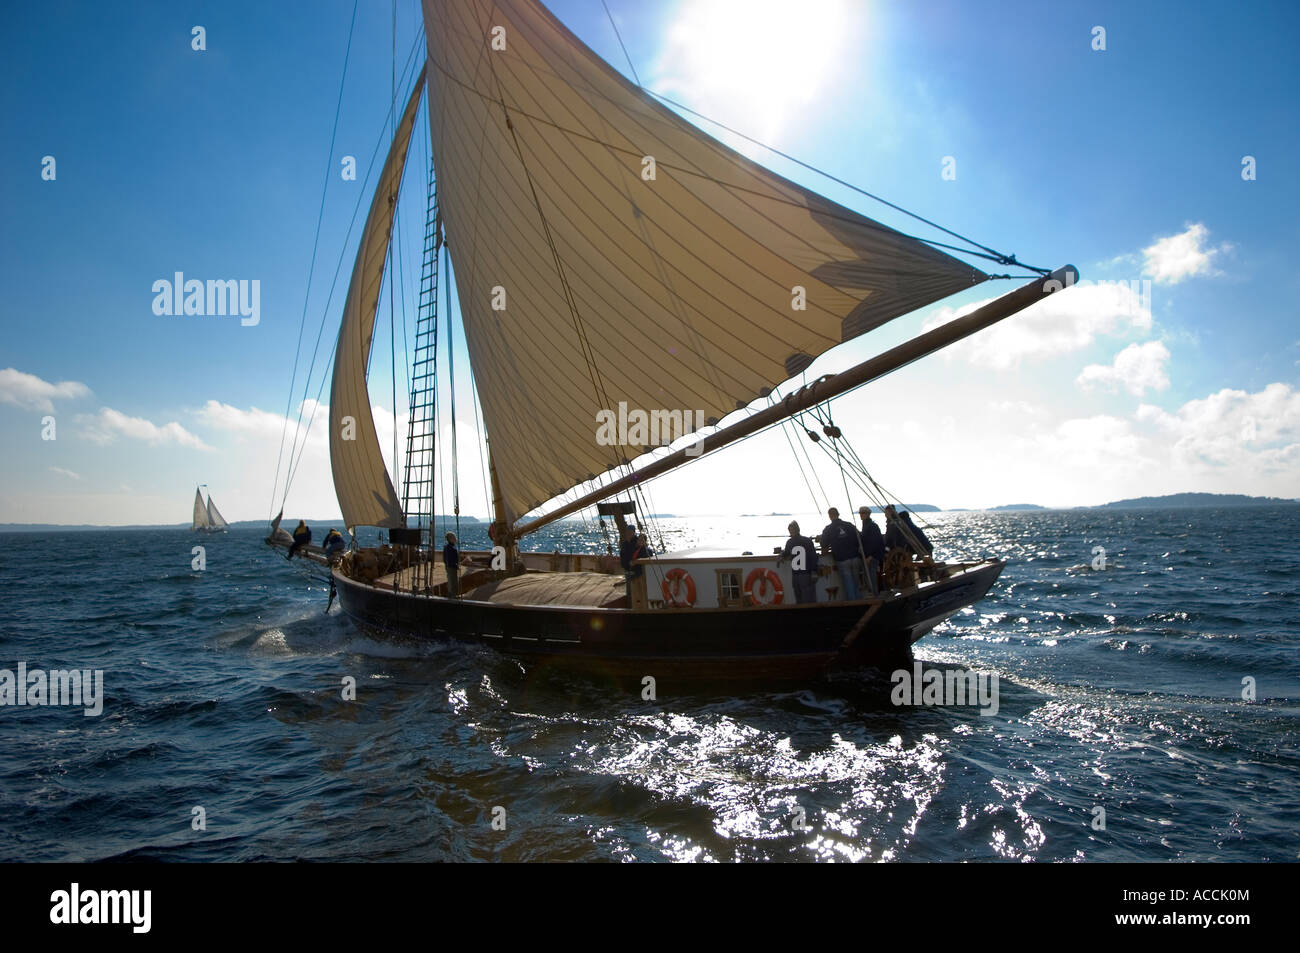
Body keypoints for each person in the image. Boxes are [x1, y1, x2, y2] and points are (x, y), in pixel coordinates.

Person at [820, 507, 863, 601]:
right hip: (855, 557)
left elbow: (823, 543)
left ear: (830, 516)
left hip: (842, 559)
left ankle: (853, 605)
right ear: (838, 514)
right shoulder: (849, 525)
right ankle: (860, 601)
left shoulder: (828, 529)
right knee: (856, 583)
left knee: (849, 585)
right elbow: (859, 537)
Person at [778, 520, 819, 604]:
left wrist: (781, 555)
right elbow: (813, 557)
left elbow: (786, 553)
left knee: (799, 600)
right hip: (806, 574)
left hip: (796, 576)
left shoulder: (790, 542)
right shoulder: (808, 541)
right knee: (810, 600)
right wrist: (814, 571)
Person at [858, 506, 885, 596]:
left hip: (872, 557)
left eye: (863, 513)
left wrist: (871, 556)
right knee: (868, 577)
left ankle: (875, 595)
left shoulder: (872, 526)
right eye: (860, 513)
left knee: (871, 577)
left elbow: (876, 542)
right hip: (867, 556)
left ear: (868, 514)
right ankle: (872, 594)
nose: (861, 515)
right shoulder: (865, 525)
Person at [443, 532, 460, 598]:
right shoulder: (450, 548)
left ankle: (453, 594)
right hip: (451, 566)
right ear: (450, 539)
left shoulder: (450, 547)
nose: (455, 539)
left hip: (451, 566)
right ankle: (452, 594)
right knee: (452, 580)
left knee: (453, 580)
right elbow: (451, 558)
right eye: (454, 537)